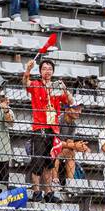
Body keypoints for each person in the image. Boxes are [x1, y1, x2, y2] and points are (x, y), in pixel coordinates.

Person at [24, 57, 70, 202]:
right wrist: (27, 70)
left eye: (50, 69)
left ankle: (48, 192)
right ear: (40, 71)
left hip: (53, 128)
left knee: (50, 162)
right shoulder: (36, 84)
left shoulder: (56, 87)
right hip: (39, 127)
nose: (47, 71)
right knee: (37, 160)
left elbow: (71, 102)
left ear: (53, 71)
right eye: (44, 68)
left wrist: (65, 89)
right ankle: (36, 191)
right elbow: (26, 83)